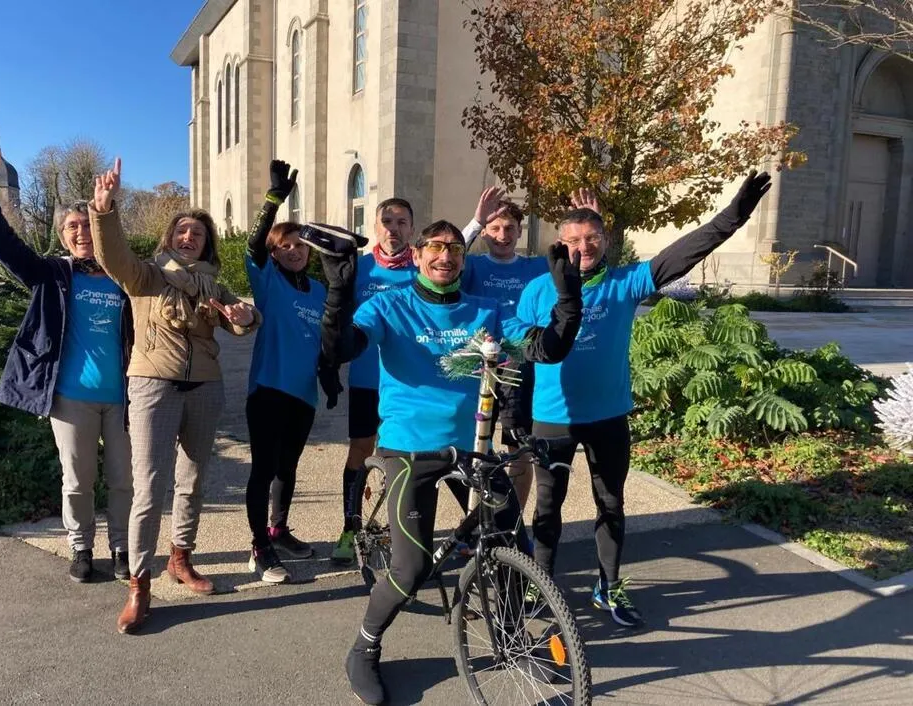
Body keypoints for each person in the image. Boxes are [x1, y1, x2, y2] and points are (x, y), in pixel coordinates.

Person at [319, 220, 584, 705]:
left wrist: (570, 298)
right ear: (418, 256)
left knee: (509, 534)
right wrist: (338, 287)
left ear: (463, 258)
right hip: (408, 451)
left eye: (455, 249)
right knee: (411, 567)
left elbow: (546, 348)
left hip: (470, 449)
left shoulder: (486, 311)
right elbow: (340, 349)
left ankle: (509, 636)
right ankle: (364, 648)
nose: (446, 256)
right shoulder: (390, 305)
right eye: (436, 248)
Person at [518, 171, 772, 628]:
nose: (584, 246)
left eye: (592, 236)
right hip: (552, 419)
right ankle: (542, 588)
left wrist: (734, 217)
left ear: (606, 238)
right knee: (546, 510)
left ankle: (608, 586)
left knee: (610, 504)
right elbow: (526, 348)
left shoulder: (625, 282)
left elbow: (684, 252)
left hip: (609, 417)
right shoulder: (538, 290)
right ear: (558, 243)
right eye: (574, 238)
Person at [88, 158, 261, 634]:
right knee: (149, 487)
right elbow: (114, 257)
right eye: (182, 231)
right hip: (154, 385)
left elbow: (243, 322)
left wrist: (244, 316)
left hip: (205, 387)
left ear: (207, 243)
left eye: (198, 234)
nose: (190, 238)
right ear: (170, 238)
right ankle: (139, 584)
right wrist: (104, 213)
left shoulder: (214, 284)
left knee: (193, 479)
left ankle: (180, 557)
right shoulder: (146, 276)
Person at [0, 148, 133, 584]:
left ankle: (121, 548)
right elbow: (4, 245)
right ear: (63, 237)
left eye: (86, 225)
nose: (81, 233)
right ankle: (81, 549)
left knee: (122, 481)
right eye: (71, 227)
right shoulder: (52, 274)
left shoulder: (126, 277)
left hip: (124, 398)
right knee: (77, 481)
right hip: (71, 397)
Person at [243, 160, 327, 584]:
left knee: (288, 468)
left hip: (303, 395)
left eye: (300, 246)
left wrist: (329, 374)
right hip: (268, 389)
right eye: (285, 247)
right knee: (263, 467)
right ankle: (260, 547)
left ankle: (278, 529)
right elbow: (254, 245)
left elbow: (325, 340)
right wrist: (274, 199)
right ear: (275, 254)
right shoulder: (267, 279)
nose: (294, 251)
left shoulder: (319, 291)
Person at [331, 197, 417, 565]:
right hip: (367, 380)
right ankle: (351, 527)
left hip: (410, 381)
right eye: (387, 220)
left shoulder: (423, 266)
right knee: (360, 453)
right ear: (376, 226)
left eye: (401, 221)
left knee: (411, 457)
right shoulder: (359, 269)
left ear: (412, 229)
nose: (393, 228)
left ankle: (407, 532)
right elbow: (336, 316)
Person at [459, 190, 548, 507]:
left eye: (509, 228)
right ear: (484, 232)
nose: (502, 235)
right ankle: (474, 517)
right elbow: (447, 251)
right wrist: (475, 220)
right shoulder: (470, 266)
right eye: (494, 228)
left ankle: (513, 524)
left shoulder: (537, 268)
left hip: (519, 366)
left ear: (520, 231)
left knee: (518, 447)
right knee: (474, 445)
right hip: (476, 366)